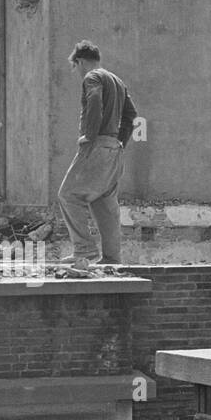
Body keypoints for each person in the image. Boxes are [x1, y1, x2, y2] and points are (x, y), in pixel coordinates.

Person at [57, 41, 138, 267]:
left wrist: (89, 136)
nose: (76, 72)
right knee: (104, 202)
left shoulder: (91, 77)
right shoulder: (118, 81)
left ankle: (84, 250)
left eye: (75, 67)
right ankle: (112, 258)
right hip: (114, 149)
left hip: (97, 145)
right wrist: (121, 141)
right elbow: (132, 115)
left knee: (68, 195)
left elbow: (94, 100)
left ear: (79, 62)